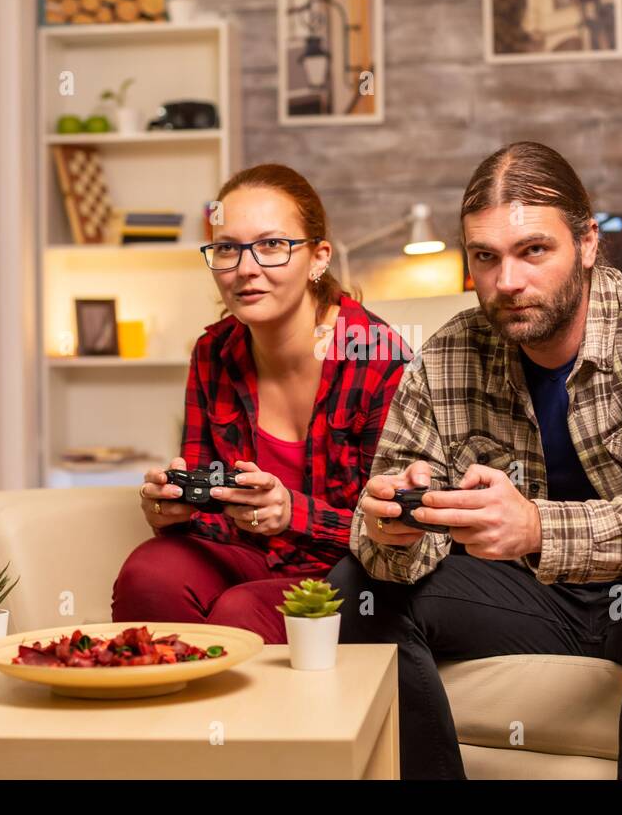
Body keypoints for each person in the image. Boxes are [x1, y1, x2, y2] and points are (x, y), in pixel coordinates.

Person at [330, 141, 622, 779]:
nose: (507, 282)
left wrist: (536, 527)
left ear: (587, 243)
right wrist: (393, 527)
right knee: (352, 591)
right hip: (530, 598)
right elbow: (391, 532)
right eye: (485, 258)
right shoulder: (449, 355)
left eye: (534, 250)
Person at [112, 164, 409, 643]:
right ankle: (164, 713)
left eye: (272, 245)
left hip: (355, 574)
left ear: (318, 258)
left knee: (241, 610)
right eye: (227, 248)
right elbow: (210, 509)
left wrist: (293, 512)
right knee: (148, 572)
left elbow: (396, 531)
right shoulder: (212, 353)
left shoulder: (376, 357)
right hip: (251, 557)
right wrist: (174, 508)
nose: (245, 269)